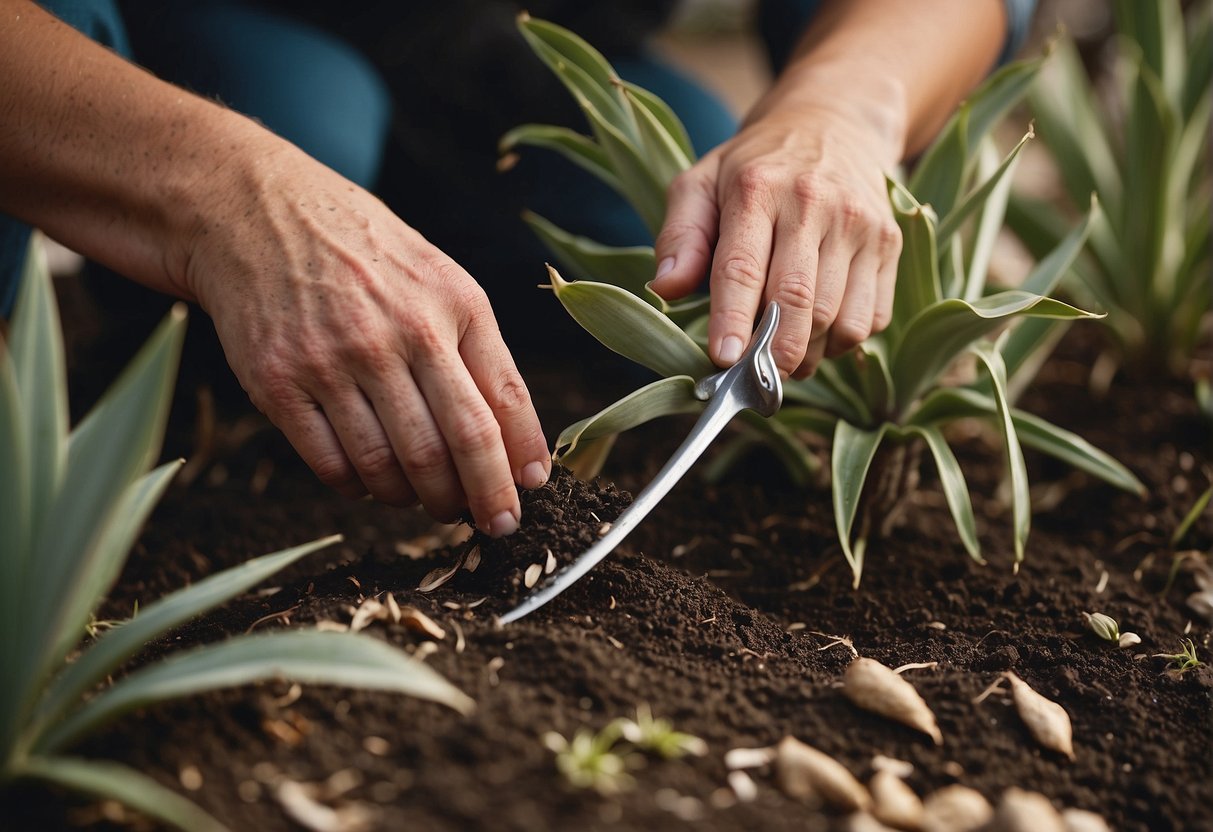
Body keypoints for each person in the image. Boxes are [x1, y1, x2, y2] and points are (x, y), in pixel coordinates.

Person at [0, 0, 1034, 535]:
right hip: (164, 55)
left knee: (668, 196)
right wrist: (223, 195)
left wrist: (838, 110)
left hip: (491, 60)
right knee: (308, 111)